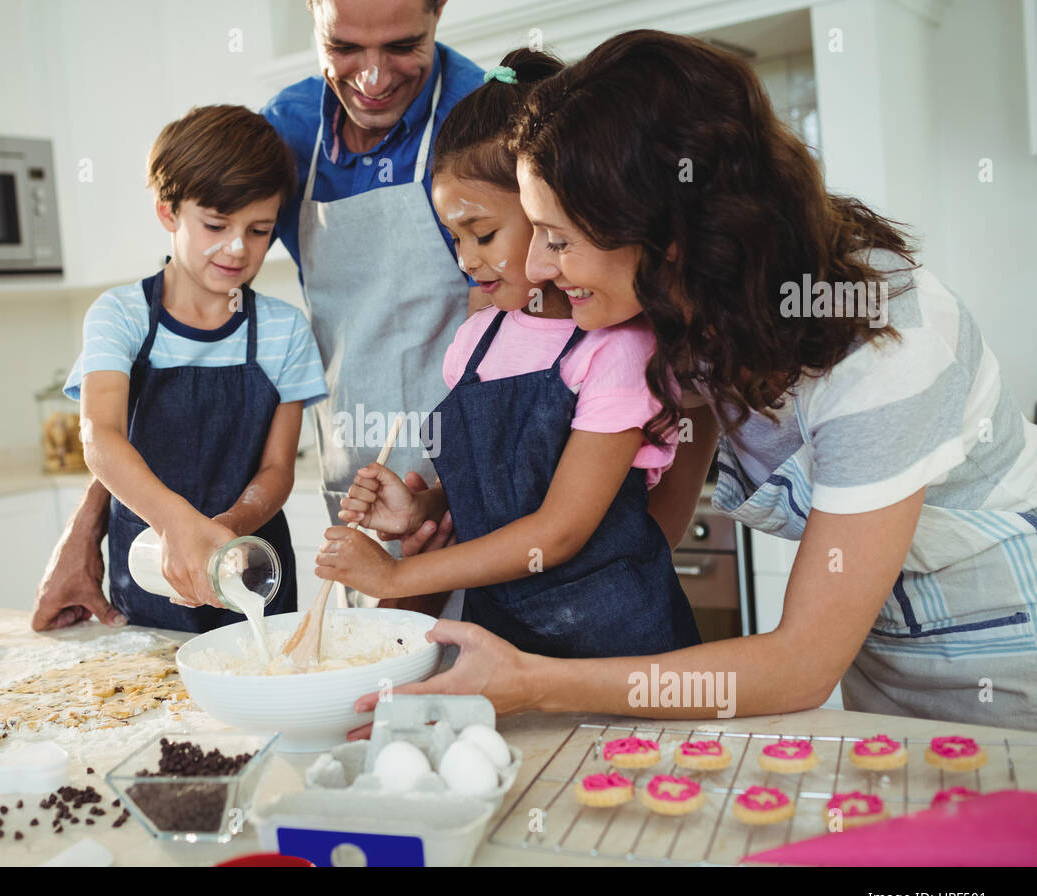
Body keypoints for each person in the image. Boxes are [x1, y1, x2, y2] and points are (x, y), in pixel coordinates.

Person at [348, 30, 1037, 731]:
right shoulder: (679, 317)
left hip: (1002, 652)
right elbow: (643, 524)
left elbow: (799, 666)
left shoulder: (887, 348)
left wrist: (533, 682)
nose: (541, 270)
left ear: (664, 231)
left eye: (558, 239)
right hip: (878, 646)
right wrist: (442, 512)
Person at [32, 0, 483, 629]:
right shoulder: (291, 131)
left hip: (467, 471)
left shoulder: (481, 121)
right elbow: (192, 316)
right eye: (344, 47)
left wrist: (459, 495)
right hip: (355, 476)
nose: (373, 78)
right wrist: (86, 531)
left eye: (403, 46)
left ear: (440, 10)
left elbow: (521, 329)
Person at [317, 49, 700, 658]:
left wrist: (394, 577)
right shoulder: (474, 344)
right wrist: (424, 506)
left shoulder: (616, 349)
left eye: (483, 233)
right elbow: (499, 500)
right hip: (504, 641)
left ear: (546, 205)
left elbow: (559, 529)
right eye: (454, 238)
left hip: (621, 648)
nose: (466, 259)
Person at [63, 105, 328, 632]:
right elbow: (101, 436)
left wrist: (225, 531)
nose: (237, 247)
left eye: (258, 230)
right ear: (168, 212)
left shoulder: (285, 330)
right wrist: (176, 524)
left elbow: (276, 470)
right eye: (215, 224)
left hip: (250, 566)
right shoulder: (121, 316)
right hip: (149, 572)